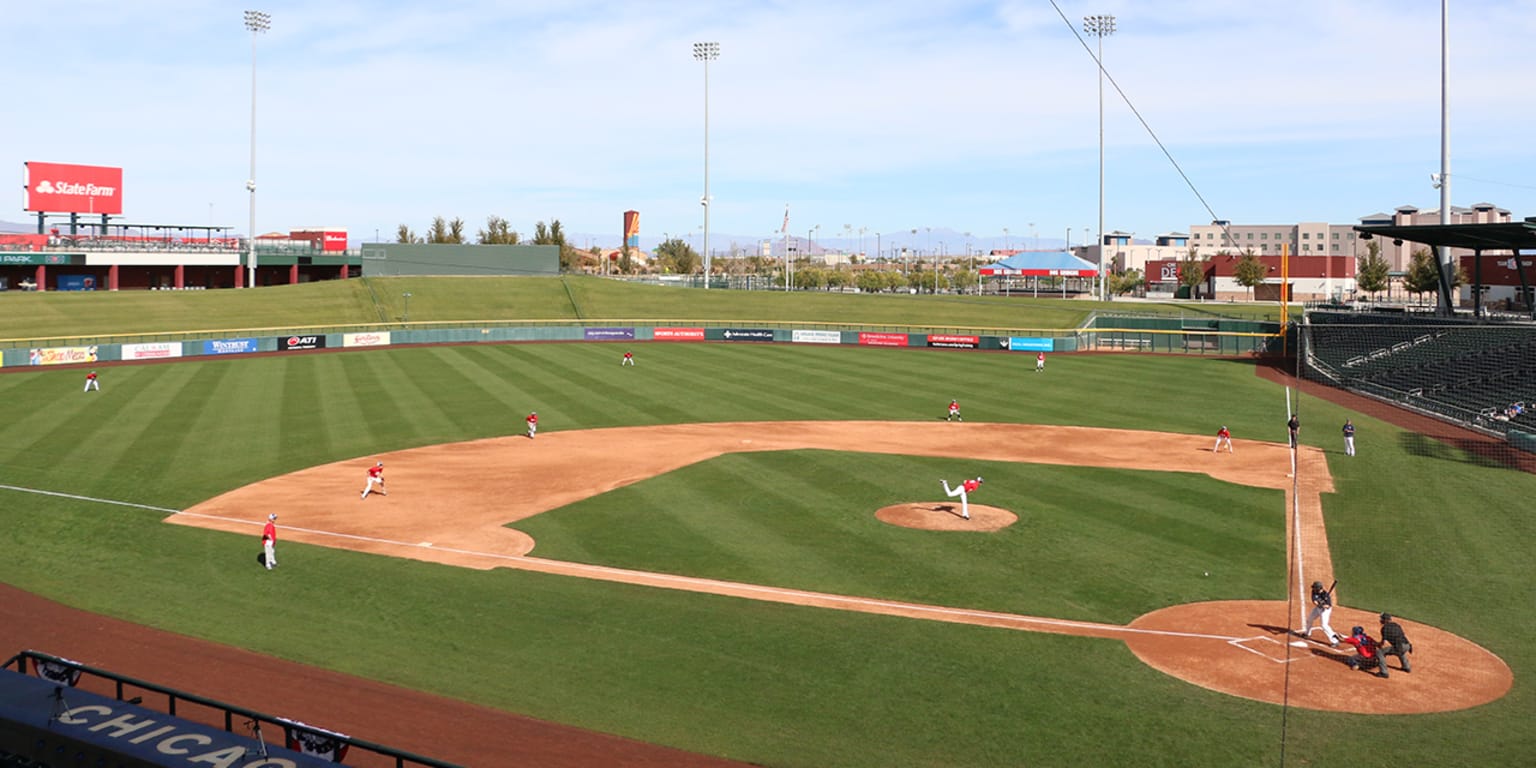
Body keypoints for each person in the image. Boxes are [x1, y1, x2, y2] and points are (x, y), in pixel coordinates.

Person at [1301, 580, 1340, 646]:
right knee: (1309, 619)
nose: (1313, 589)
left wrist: (1323, 605)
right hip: (1318, 608)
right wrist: (1319, 604)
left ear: (1318, 588)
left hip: (1325, 611)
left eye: (1314, 587)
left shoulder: (1326, 596)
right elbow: (1314, 601)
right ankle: (1307, 633)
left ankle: (1335, 641)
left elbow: (1328, 606)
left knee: (1324, 625)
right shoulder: (1314, 591)